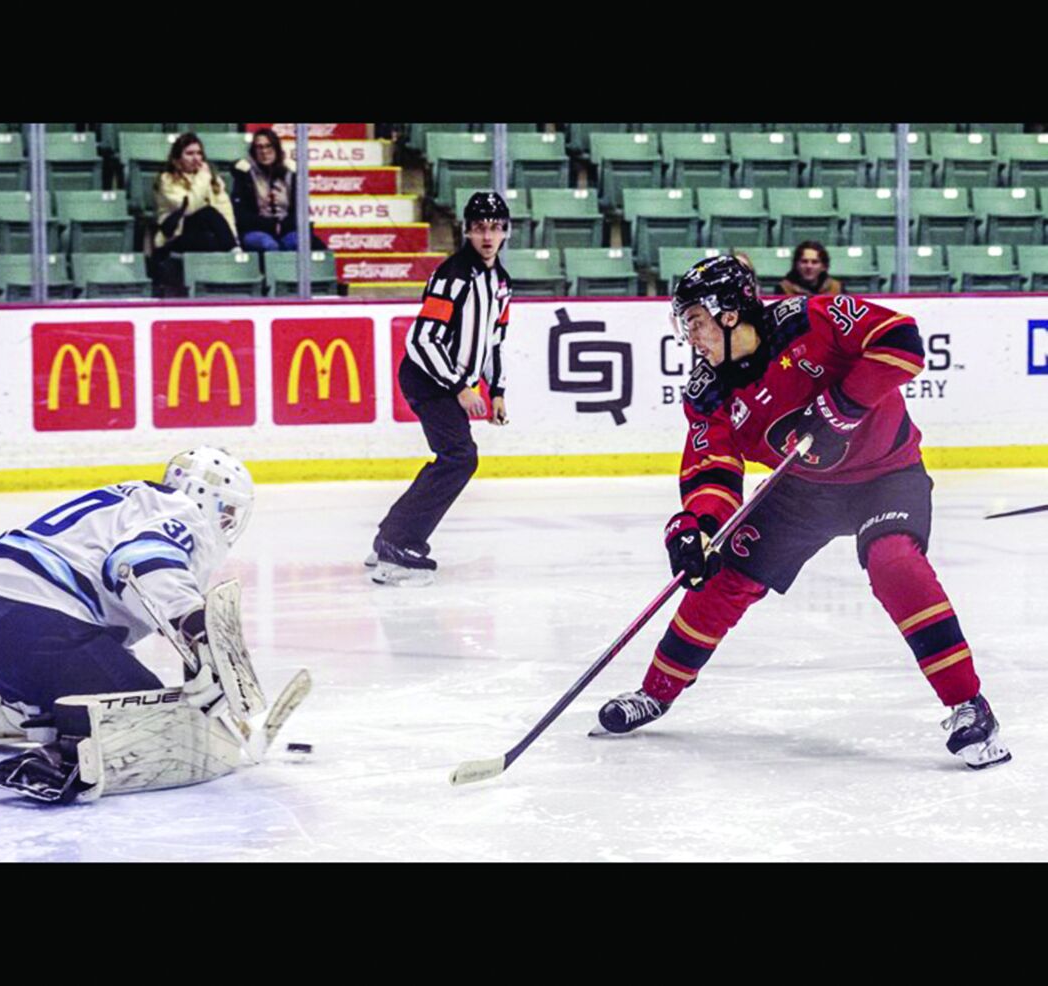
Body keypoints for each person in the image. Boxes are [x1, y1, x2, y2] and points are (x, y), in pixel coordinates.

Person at [594, 255, 1010, 770]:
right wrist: (699, 525)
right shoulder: (710, 391)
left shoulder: (811, 320)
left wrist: (843, 403)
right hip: (802, 489)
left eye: (695, 322)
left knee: (893, 563)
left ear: (729, 313)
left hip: (885, 474)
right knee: (722, 576)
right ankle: (655, 692)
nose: (690, 337)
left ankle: (970, 706)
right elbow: (712, 464)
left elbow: (902, 341)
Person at [0, 447, 269, 804]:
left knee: (98, 669)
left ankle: (10, 701)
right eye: (225, 512)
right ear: (203, 497)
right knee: (148, 716)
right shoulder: (185, 514)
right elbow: (142, 561)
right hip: (31, 627)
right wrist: (198, 630)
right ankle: (62, 758)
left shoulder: (134, 500)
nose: (224, 523)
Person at [366, 192, 512, 587]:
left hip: (450, 382)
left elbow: (493, 340)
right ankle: (398, 541)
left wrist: (495, 389)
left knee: (458, 456)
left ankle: (391, 534)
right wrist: (461, 386)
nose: (487, 235)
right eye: (480, 227)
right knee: (459, 456)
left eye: (495, 227)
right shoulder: (453, 276)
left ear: (505, 232)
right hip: (426, 378)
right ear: (467, 230)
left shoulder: (500, 283)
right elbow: (421, 340)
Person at [153, 132, 238, 256]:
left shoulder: (212, 178)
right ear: (177, 159)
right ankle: (233, 251)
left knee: (212, 240)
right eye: (190, 153)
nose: (196, 158)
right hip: (177, 234)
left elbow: (225, 210)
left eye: (199, 153)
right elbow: (189, 208)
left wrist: (234, 237)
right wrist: (203, 177)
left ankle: (233, 249)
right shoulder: (167, 180)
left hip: (207, 234)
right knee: (207, 212)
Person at [230, 127, 303, 252]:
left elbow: (300, 212)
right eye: (259, 147)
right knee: (268, 245)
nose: (264, 151)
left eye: (268, 146)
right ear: (254, 151)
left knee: (298, 243)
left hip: (286, 228)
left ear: (276, 148)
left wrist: (282, 226)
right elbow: (241, 215)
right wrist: (271, 226)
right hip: (256, 229)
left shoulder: (290, 174)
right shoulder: (245, 175)